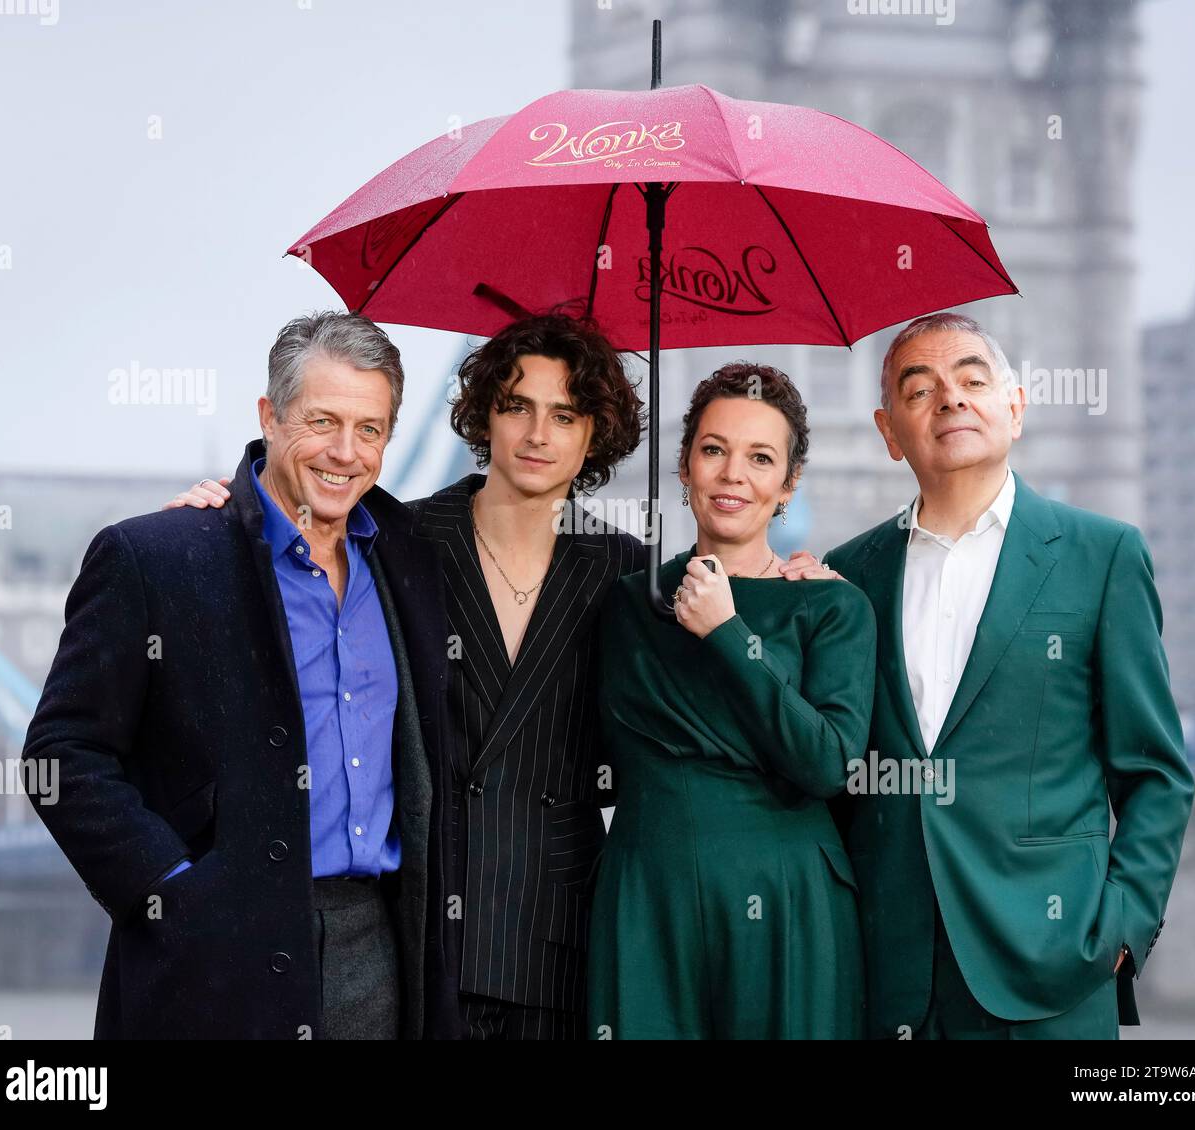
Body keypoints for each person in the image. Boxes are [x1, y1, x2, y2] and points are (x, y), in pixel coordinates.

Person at [168, 314, 837, 1039]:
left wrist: (790, 583)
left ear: (596, 433)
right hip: (426, 926)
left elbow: (699, 719)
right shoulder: (398, 538)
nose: (537, 435)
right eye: (517, 406)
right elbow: (297, 524)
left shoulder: (629, 570)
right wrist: (221, 517)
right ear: (484, 413)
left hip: (563, 931)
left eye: (565, 414)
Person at [23, 311, 447, 1039]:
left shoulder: (412, 553)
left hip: (377, 950)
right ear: (270, 417)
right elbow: (59, 754)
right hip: (213, 957)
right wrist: (171, 887)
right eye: (323, 420)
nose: (346, 453)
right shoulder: (157, 557)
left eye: (371, 429)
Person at [826, 311, 1195, 1039]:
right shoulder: (847, 575)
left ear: (1015, 409)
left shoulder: (1102, 555)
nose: (951, 398)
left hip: (1052, 966)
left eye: (972, 379)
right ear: (888, 428)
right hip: (885, 976)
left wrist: (1121, 927)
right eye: (920, 387)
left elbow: (1156, 772)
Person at [586, 362, 876, 1040]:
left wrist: (727, 632)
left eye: (760, 457)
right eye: (713, 450)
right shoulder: (631, 603)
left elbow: (828, 763)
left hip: (786, 900)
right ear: (684, 465)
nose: (732, 474)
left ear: (788, 483)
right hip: (647, 897)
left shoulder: (833, 607)